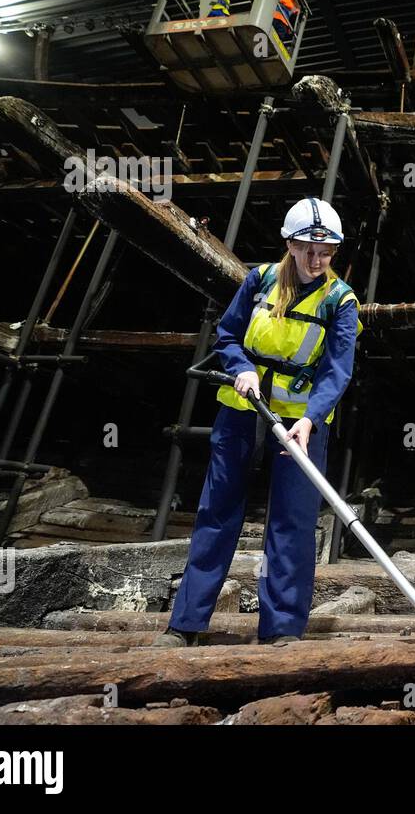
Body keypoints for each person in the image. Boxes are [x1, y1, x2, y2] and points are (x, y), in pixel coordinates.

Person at [154, 197, 360, 646]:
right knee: (217, 512)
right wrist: (239, 365)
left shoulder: (341, 301)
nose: (316, 260)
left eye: (325, 253)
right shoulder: (259, 280)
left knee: (292, 521)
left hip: (299, 425)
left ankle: (282, 630)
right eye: (307, 249)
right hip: (243, 412)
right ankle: (185, 624)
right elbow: (228, 335)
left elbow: (337, 369)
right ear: (289, 243)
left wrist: (310, 419)